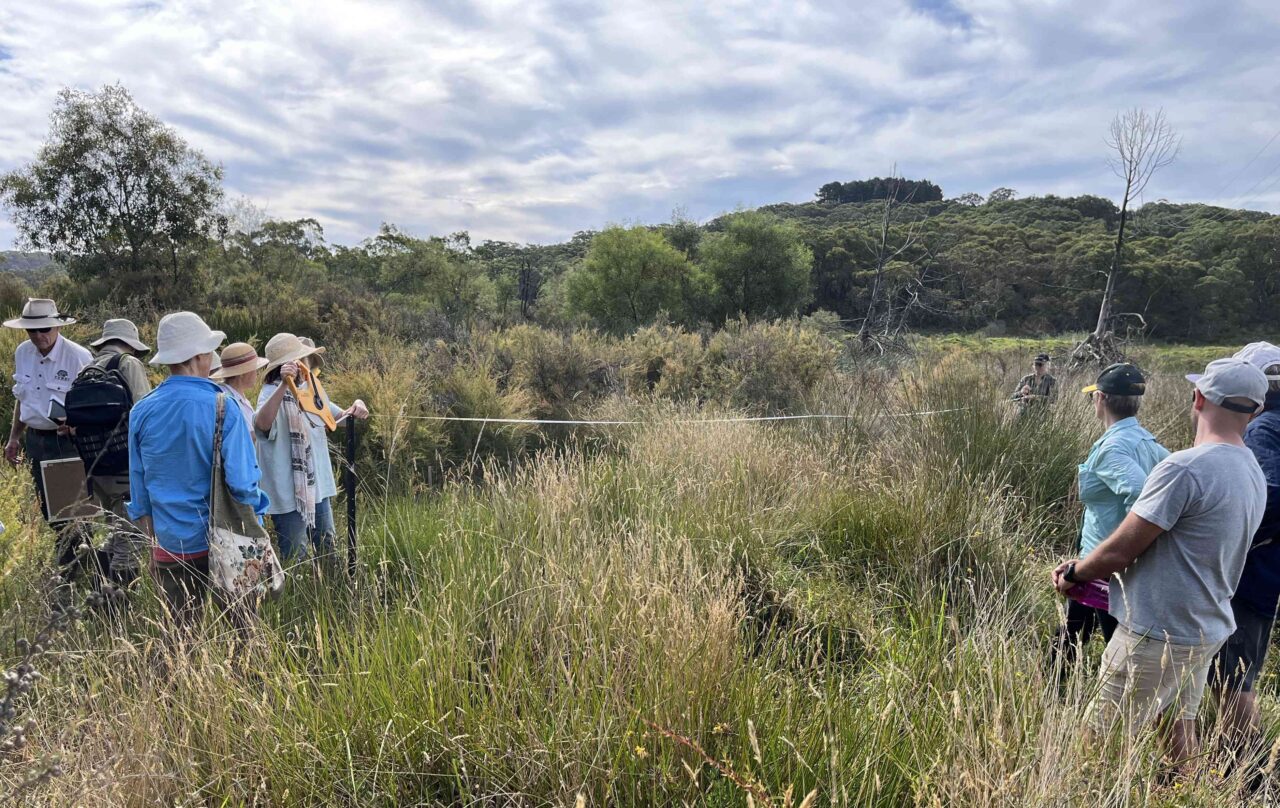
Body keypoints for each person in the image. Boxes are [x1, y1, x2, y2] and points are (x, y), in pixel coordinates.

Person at [1052, 358, 1269, 768]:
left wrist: (1076, 573)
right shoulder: (1251, 469)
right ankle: (1182, 792)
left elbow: (1121, 551)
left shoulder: (1185, 467)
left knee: (1096, 739)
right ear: (1254, 410)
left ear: (1198, 398)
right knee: (1175, 727)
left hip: (1156, 629)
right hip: (1204, 626)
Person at [127, 312, 268, 632]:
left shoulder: (141, 411)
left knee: (179, 638)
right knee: (245, 634)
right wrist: (259, 519)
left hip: (170, 543)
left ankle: (178, 684)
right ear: (200, 356)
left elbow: (140, 493)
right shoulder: (223, 405)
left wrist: (152, 545)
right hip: (227, 540)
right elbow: (243, 486)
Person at [1053, 363, 1170, 668]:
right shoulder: (1147, 441)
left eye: (1094, 396)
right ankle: (1053, 693)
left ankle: (1114, 707)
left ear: (1101, 398)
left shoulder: (1113, 447)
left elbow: (1141, 494)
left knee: (1117, 649)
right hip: (1100, 561)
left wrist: (1128, 550)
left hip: (1109, 564)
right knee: (1071, 632)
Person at [1211, 342, 1280, 757]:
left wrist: (1234, 535)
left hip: (1252, 573)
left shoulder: (1263, 428)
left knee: (1233, 677)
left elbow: (1270, 493)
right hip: (1268, 572)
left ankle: (1245, 768)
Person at [3, 299, 93, 573]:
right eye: (32, 330)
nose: (39, 336)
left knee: (73, 514)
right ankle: (75, 567)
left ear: (55, 326)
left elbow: (91, 405)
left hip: (66, 443)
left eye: (44, 329)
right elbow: (23, 397)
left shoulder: (78, 356)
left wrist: (77, 426)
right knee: (51, 512)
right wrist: (14, 438)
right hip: (36, 441)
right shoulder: (22, 353)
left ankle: (73, 572)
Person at [81, 318, 153, 592]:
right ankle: (118, 603)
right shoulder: (127, 363)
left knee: (115, 529)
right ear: (130, 344)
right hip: (125, 465)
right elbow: (144, 410)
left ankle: (98, 588)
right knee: (132, 537)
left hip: (96, 466)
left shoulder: (87, 368)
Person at [297, 336, 368, 557]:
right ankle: (304, 591)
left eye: (307, 360)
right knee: (295, 551)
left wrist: (358, 404)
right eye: (301, 359)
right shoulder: (280, 392)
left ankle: (329, 586)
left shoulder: (317, 391)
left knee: (328, 549)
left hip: (318, 482)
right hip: (295, 485)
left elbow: (342, 418)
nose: (304, 365)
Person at [210, 342, 268, 435]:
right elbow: (241, 436)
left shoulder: (240, 396)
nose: (256, 373)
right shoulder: (225, 399)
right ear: (242, 373)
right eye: (254, 369)